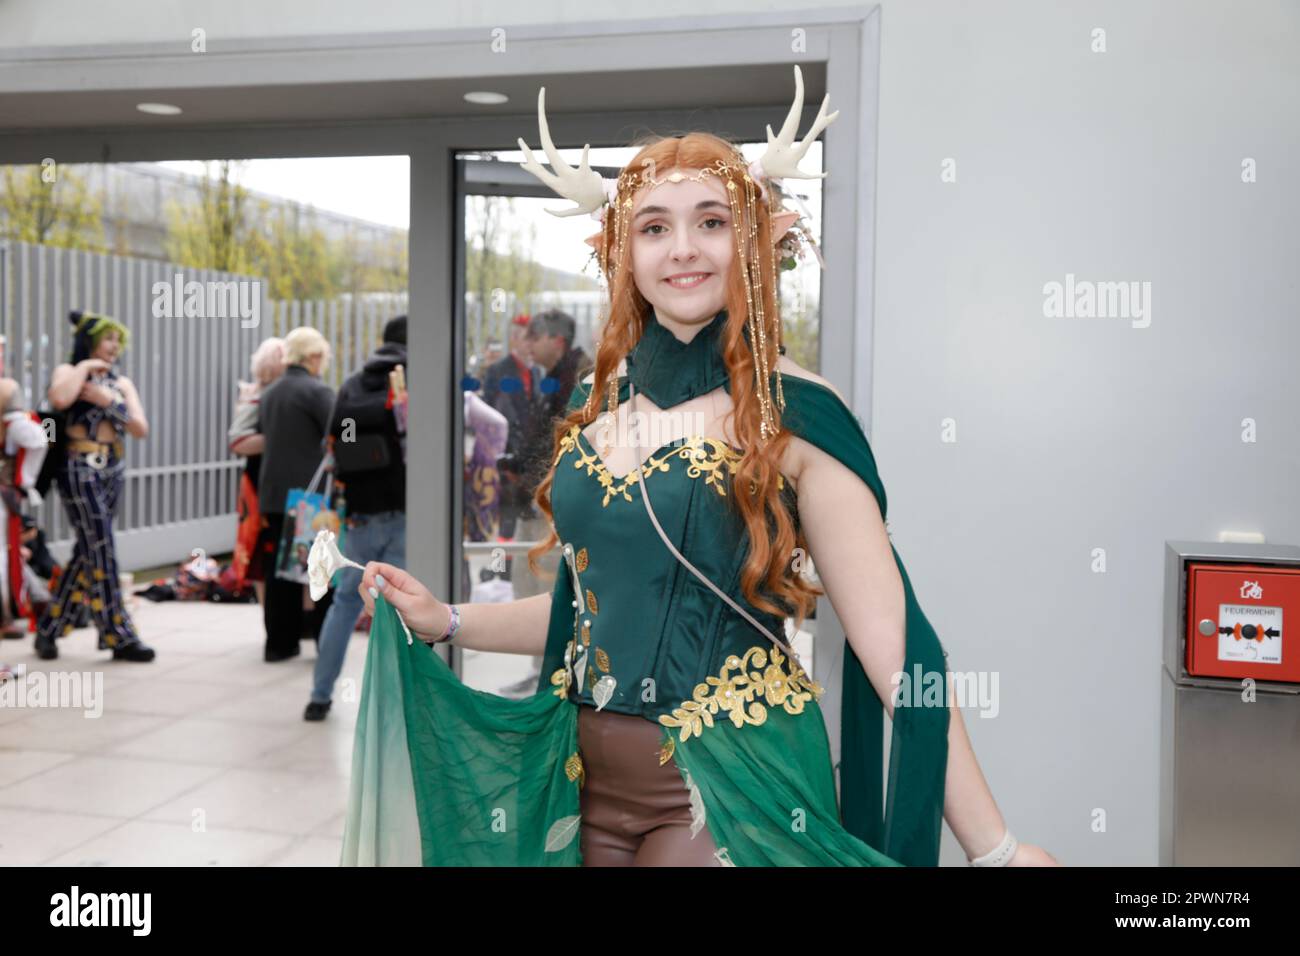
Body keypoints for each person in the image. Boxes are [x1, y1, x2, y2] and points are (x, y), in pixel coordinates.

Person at [342, 69, 1058, 867]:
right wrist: (448, 620)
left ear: (753, 240)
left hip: (731, 784)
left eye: (710, 221)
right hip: (574, 780)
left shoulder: (800, 414)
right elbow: (594, 618)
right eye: (653, 227)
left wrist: (997, 850)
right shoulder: (594, 403)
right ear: (621, 250)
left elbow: (893, 648)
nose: (682, 248)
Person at [34, 310, 154, 662]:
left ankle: (50, 629)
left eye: (119, 340)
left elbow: (140, 428)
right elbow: (59, 399)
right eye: (108, 338)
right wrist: (85, 368)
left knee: (89, 549)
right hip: (77, 466)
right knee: (101, 544)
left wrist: (108, 401)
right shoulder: (69, 372)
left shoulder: (121, 383)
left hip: (112, 467)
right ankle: (118, 633)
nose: (114, 346)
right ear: (90, 341)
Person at [304, 316, 408, 720]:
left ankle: (319, 695)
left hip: (360, 516)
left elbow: (336, 444)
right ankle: (398, 700)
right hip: (406, 511)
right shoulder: (411, 379)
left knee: (346, 602)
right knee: (401, 605)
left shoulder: (351, 385)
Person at [255, 326, 335, 663]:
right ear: (314, 357)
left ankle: (279, 643)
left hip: (273, 494)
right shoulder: (318, 392)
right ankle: (324, 641)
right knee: (318, 571)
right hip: (310, 497)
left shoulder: (271, 392)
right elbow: (340, 435)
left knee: (278, 572)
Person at [229, 336, 286, 607]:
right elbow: (237, 440)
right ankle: (271, 613)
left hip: (267, 477)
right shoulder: (258, 397)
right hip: (259, 480)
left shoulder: (261, 394)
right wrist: (280, 437)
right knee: (260, 548)